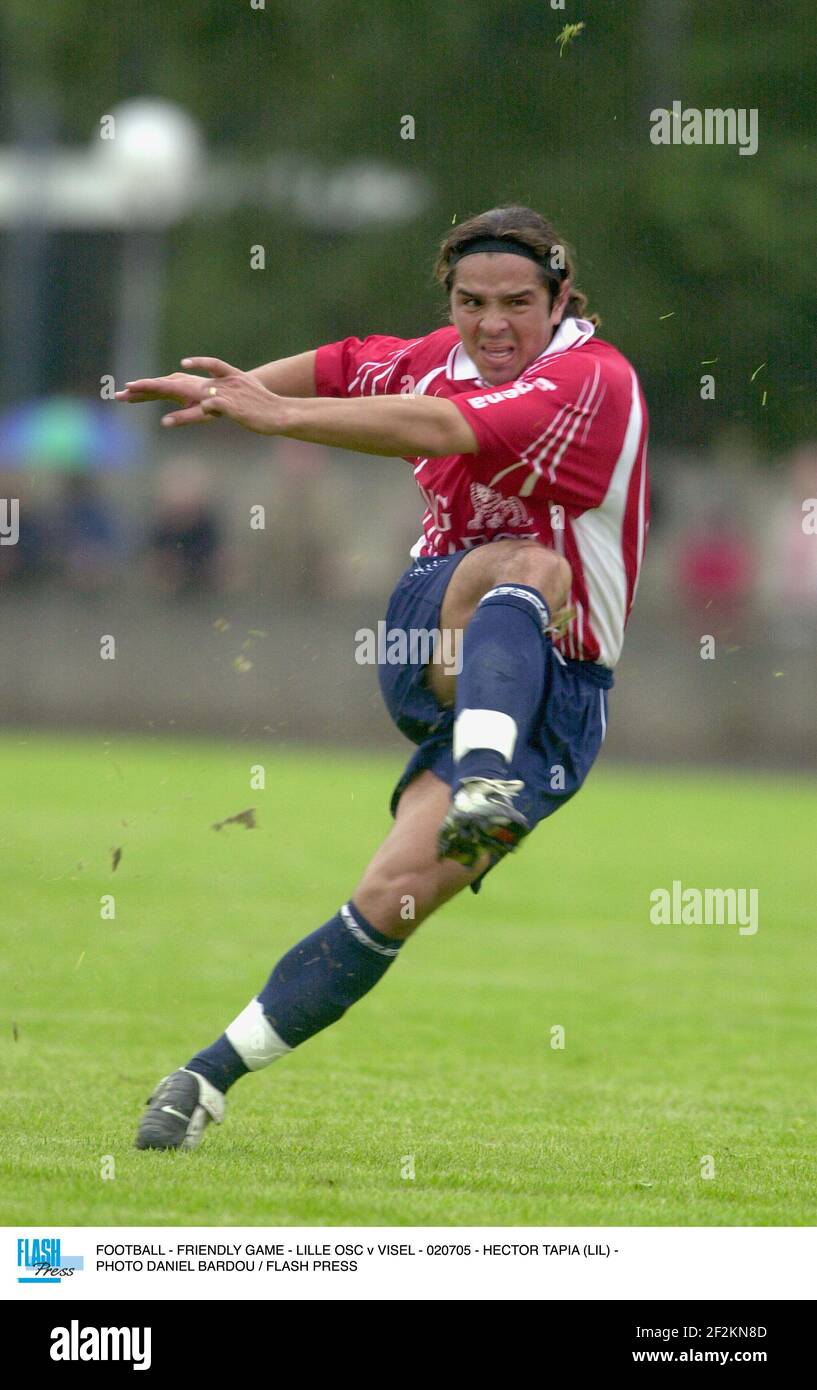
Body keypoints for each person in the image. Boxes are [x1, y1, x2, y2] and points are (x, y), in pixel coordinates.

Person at [116, 205, 649, 1151]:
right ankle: (483, 773)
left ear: (562, 299)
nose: (491, 325)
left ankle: (202, 1079)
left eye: (517, 303)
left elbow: (440, 426)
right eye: (469, 301)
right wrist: (240, 392)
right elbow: (339, 365)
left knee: (392, 897)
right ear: (448, 299)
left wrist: (276, 416)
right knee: (530, 568)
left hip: (560, 701)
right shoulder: (431, 356)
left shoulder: (593, 380)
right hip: (431, 635)